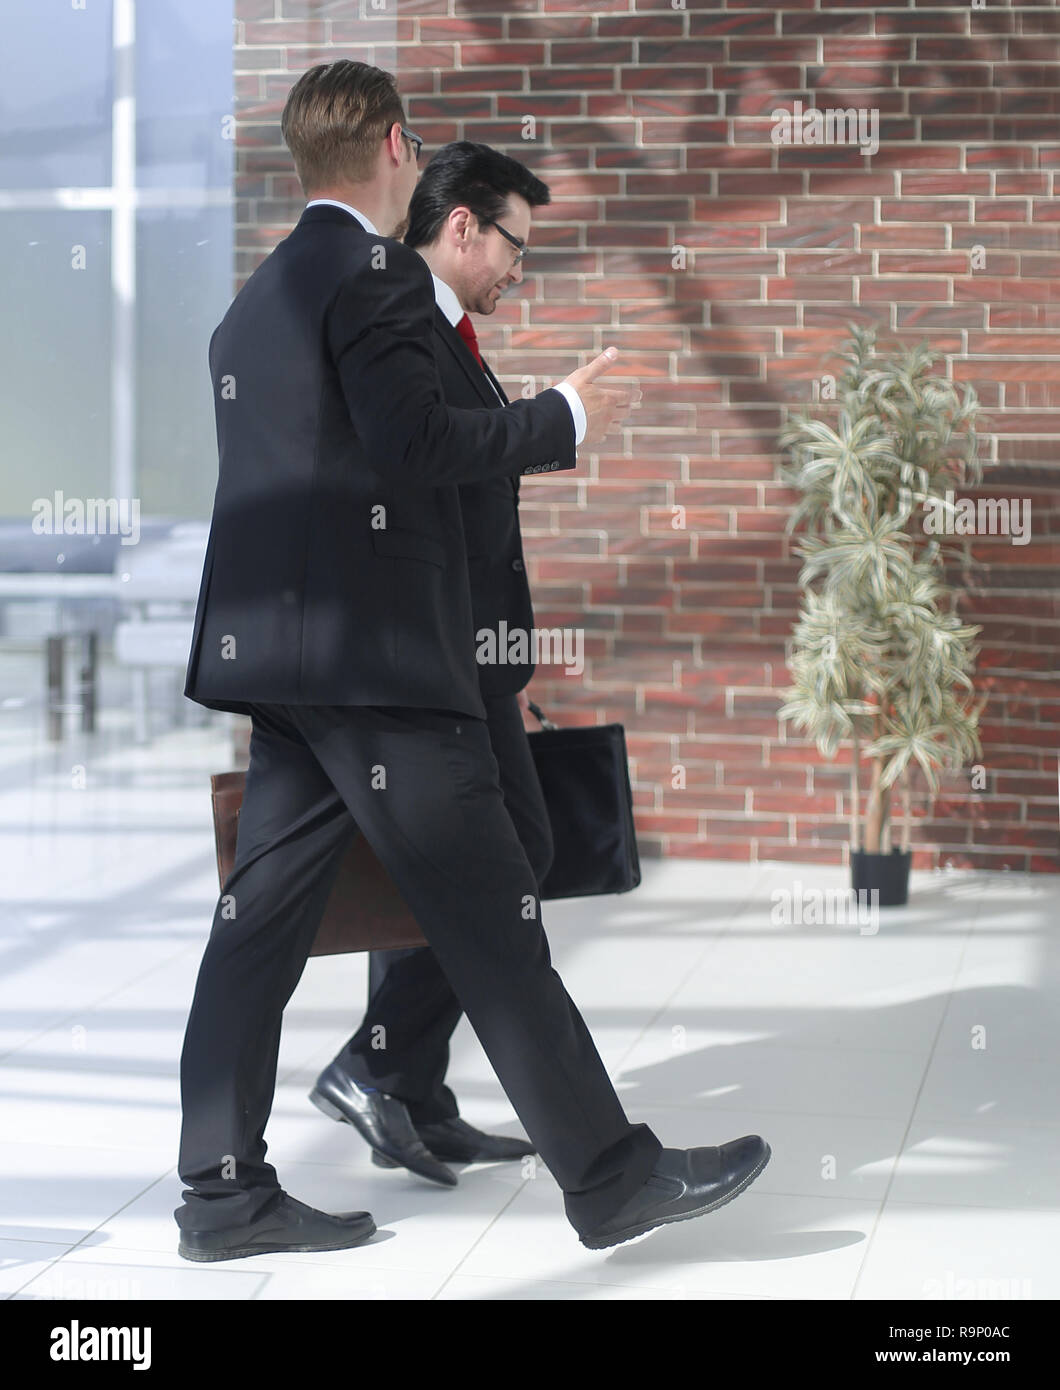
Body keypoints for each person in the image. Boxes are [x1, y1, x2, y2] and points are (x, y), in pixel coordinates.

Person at [175, 59, 770, 1263]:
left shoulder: (255, 301)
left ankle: (221, 1195)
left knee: (254, 930)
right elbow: (416, 442)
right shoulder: (377, 275)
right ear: (396, 147)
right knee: (495, 916)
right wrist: (561, 419)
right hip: (385, 672)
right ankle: (608, 1177)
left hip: (284, 673)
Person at [309, 143, 562, 1186]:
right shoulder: (397, 312)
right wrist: (554, 420)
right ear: (463, 225)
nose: (518, 270)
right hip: (425, 654)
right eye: (513, 246)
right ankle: (377, 1066)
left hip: (473, 650)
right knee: (517, 857)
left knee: (459, 870)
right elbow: (421, 464)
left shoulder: (442, 324)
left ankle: (411, 1085)